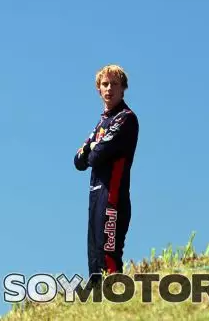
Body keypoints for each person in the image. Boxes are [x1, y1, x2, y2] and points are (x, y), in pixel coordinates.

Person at [73, 64, 139, 279]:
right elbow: (79, 161)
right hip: (95, 194)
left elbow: (95, 155)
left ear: (123, 89)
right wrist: (91, 149)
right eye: (105, 84)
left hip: (113, 197)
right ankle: (98, 301)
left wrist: (92, 148)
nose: (109, 89)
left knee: (108, 255)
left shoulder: (125, 118)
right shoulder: (102, 123)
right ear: (98, 89)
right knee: (94, 256)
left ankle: (116, 299)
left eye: (115, 84)